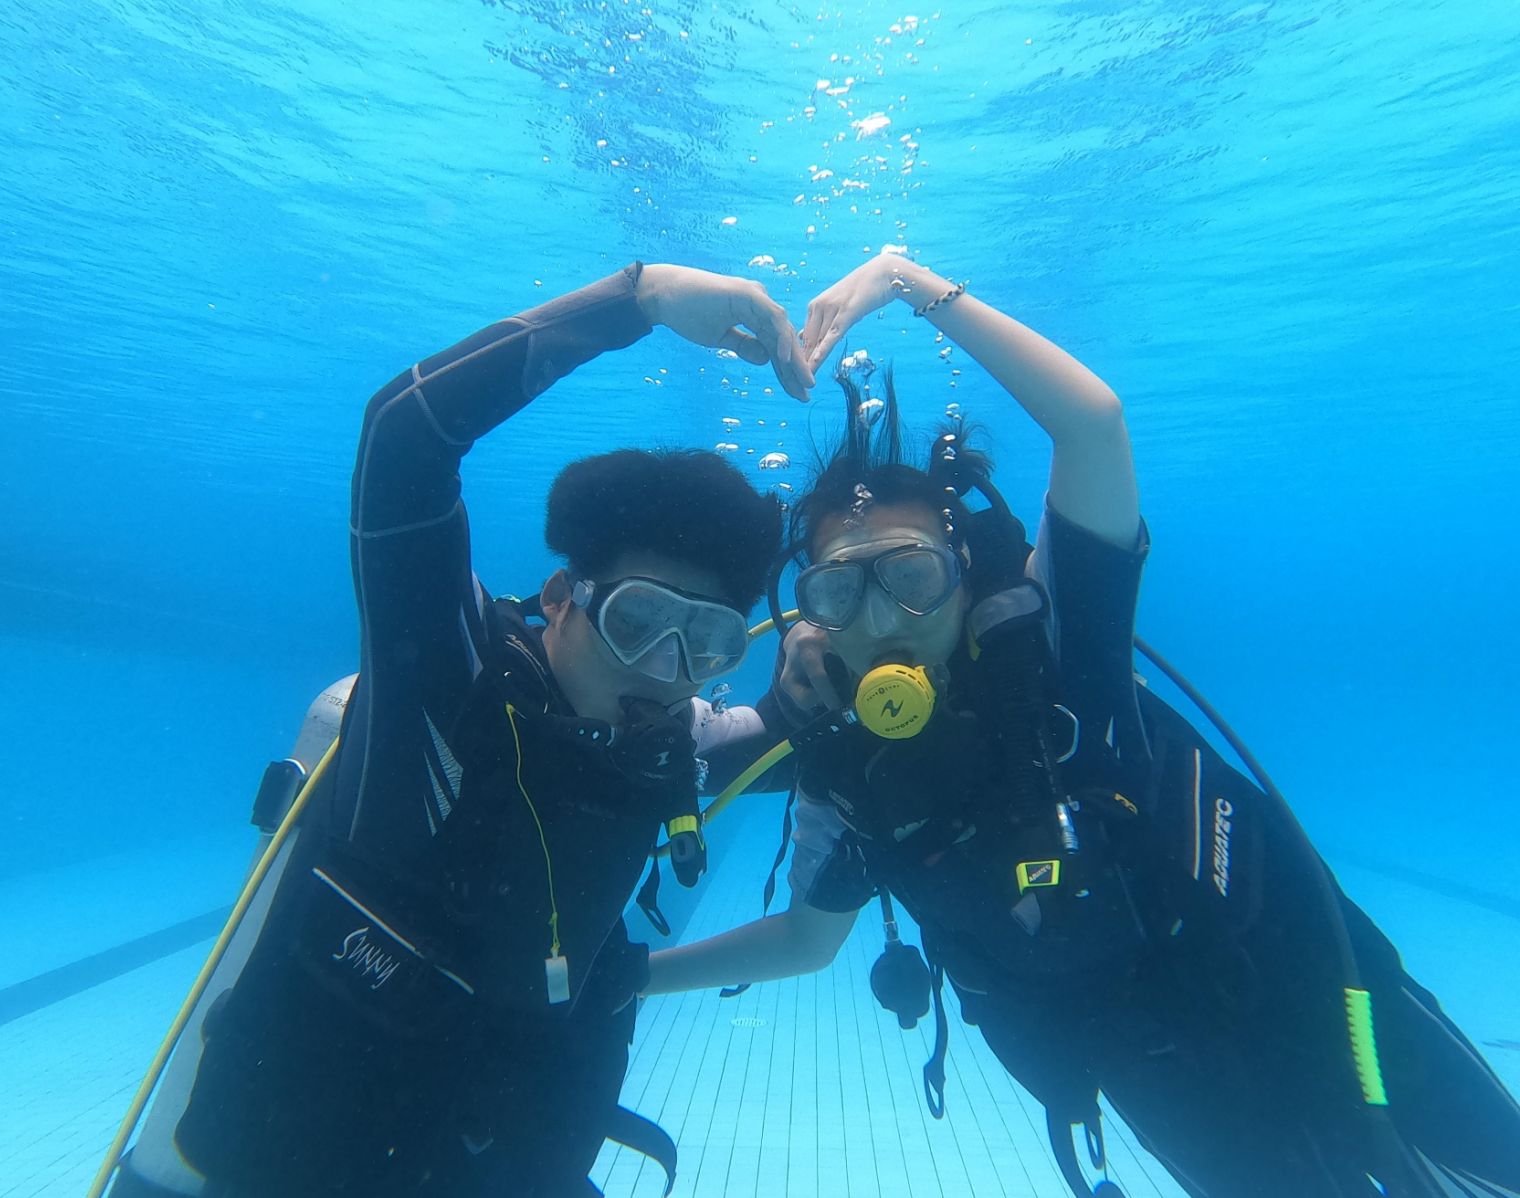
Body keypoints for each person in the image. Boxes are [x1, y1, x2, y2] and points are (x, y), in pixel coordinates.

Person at [644, 253, 1520, 1197]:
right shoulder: (840, 758)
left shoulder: (1058, 648)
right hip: (1156, 1075)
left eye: (911, 575)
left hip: (1323, 991)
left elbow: (1092, 421)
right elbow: (804, 943)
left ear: (962, 572)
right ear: (809, 610)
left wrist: (902, 281)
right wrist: (631, 977)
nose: (883, 618)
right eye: (840, 589)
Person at [108, 262, 819, 1197]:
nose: (664, 672)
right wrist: (636, 299)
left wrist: (831, 645)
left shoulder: (666, 749)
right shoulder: (443, 699)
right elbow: (404, 437)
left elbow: (791, 725)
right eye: (639, 623)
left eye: (709, 643)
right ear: (562, 598)